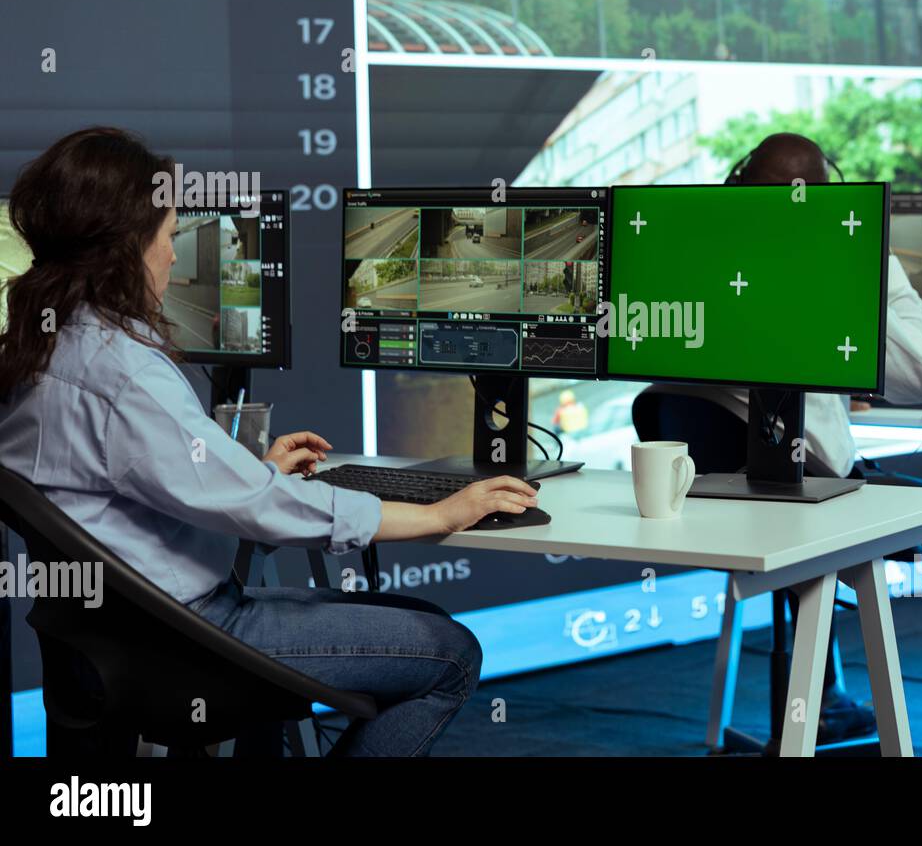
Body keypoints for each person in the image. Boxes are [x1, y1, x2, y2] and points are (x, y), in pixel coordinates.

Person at [0, 126, 540, 756]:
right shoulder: (123, 371)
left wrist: (251, 471)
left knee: (424, 624)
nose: (174, 257)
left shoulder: (35, 348)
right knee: (451, 653)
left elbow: (123, 478)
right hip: (191, 637)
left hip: (114, 643)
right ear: (125, 248)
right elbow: (260, 510)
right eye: (170, 237)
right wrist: (438, 513)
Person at [645, 132, 922, 755]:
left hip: (716, 501)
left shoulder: (687, 253)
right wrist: (839, 268)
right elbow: (920, 379)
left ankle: (825, 697)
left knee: (802, 500)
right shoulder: (821, 254)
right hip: (811, 498)